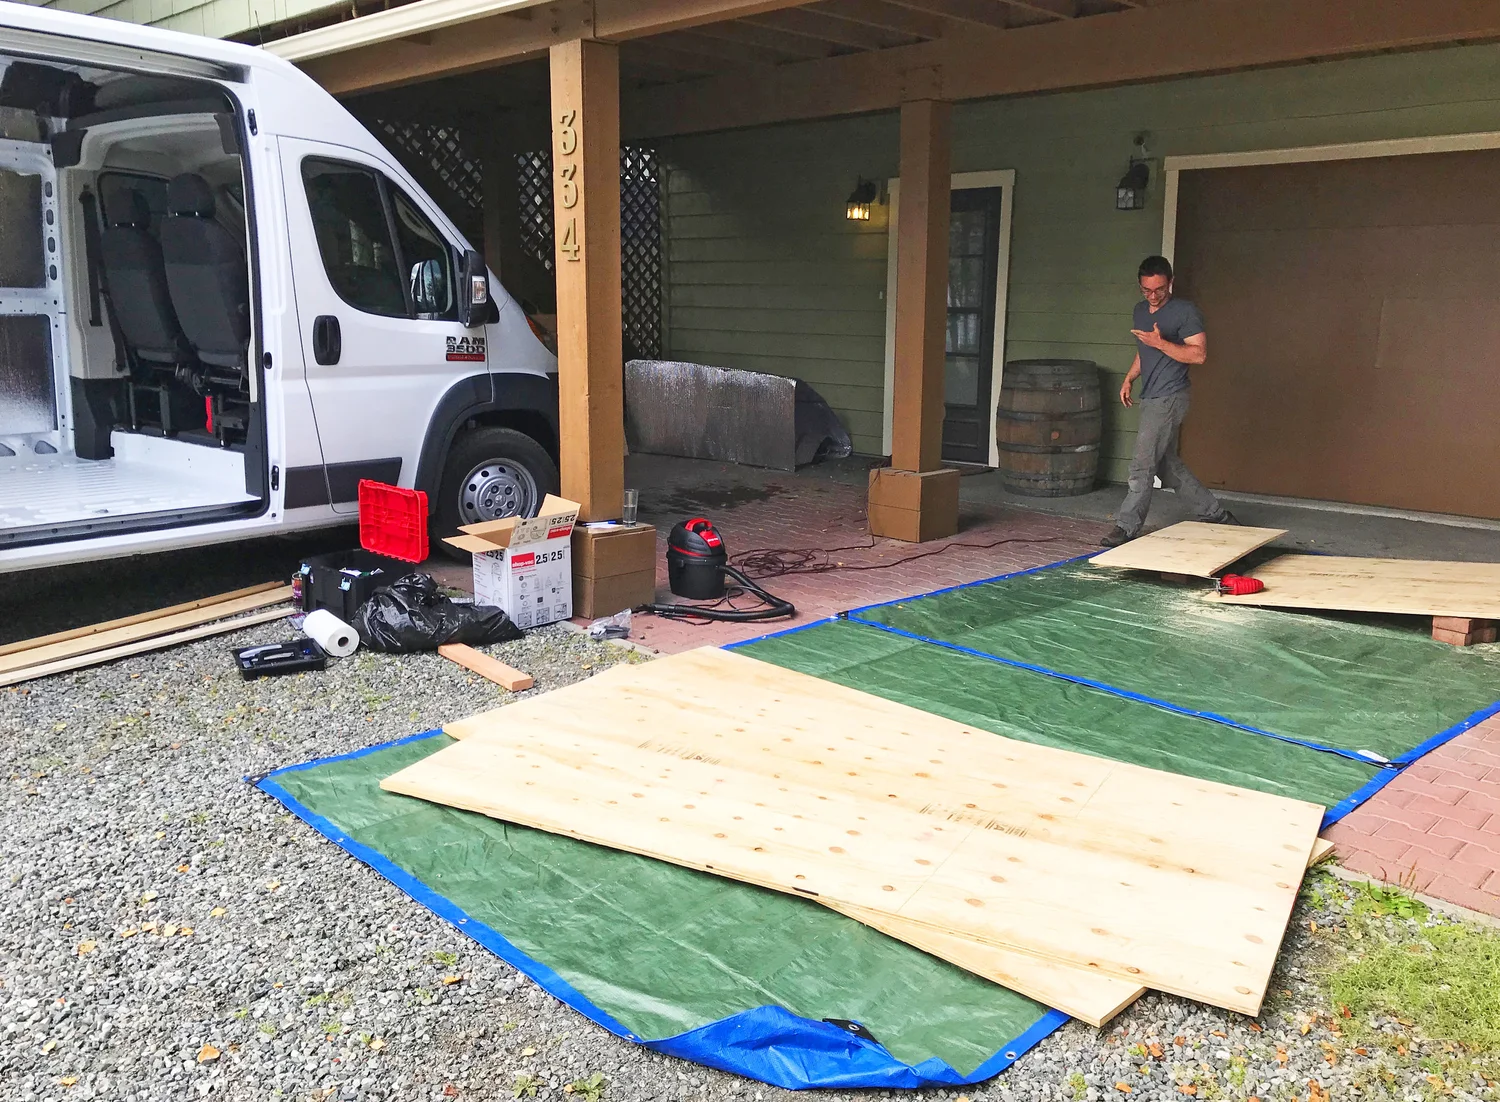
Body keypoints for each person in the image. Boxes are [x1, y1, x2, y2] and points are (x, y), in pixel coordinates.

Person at [1100, 256, 1237, 548]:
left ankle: (1126, 526)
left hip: (1171, 396)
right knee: (1166, 466)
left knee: (1142, 464)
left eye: (1159, 290)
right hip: (1150, 395)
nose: (1153, 296)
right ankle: (1218, 516)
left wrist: (1161, 342)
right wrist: (1129, 378)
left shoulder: (1185, 312)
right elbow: (1144, 351)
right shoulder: (1140, 311)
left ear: (1170, 283)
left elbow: (1198, 354)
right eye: (1147, 290)